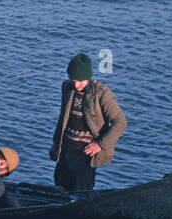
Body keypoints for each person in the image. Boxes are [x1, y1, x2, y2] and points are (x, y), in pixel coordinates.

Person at [49, 53, 127, 192]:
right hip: (66, 147)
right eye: (73, 80)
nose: (76, 84)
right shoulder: (67, 87)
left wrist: (100, 144)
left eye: (80, 81)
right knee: (59, 185)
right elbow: (63, 118)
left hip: (85, 152)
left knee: (81, 190)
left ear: (88, 78)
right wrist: (56, 142)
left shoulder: (102, 94)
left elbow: (120, 123)